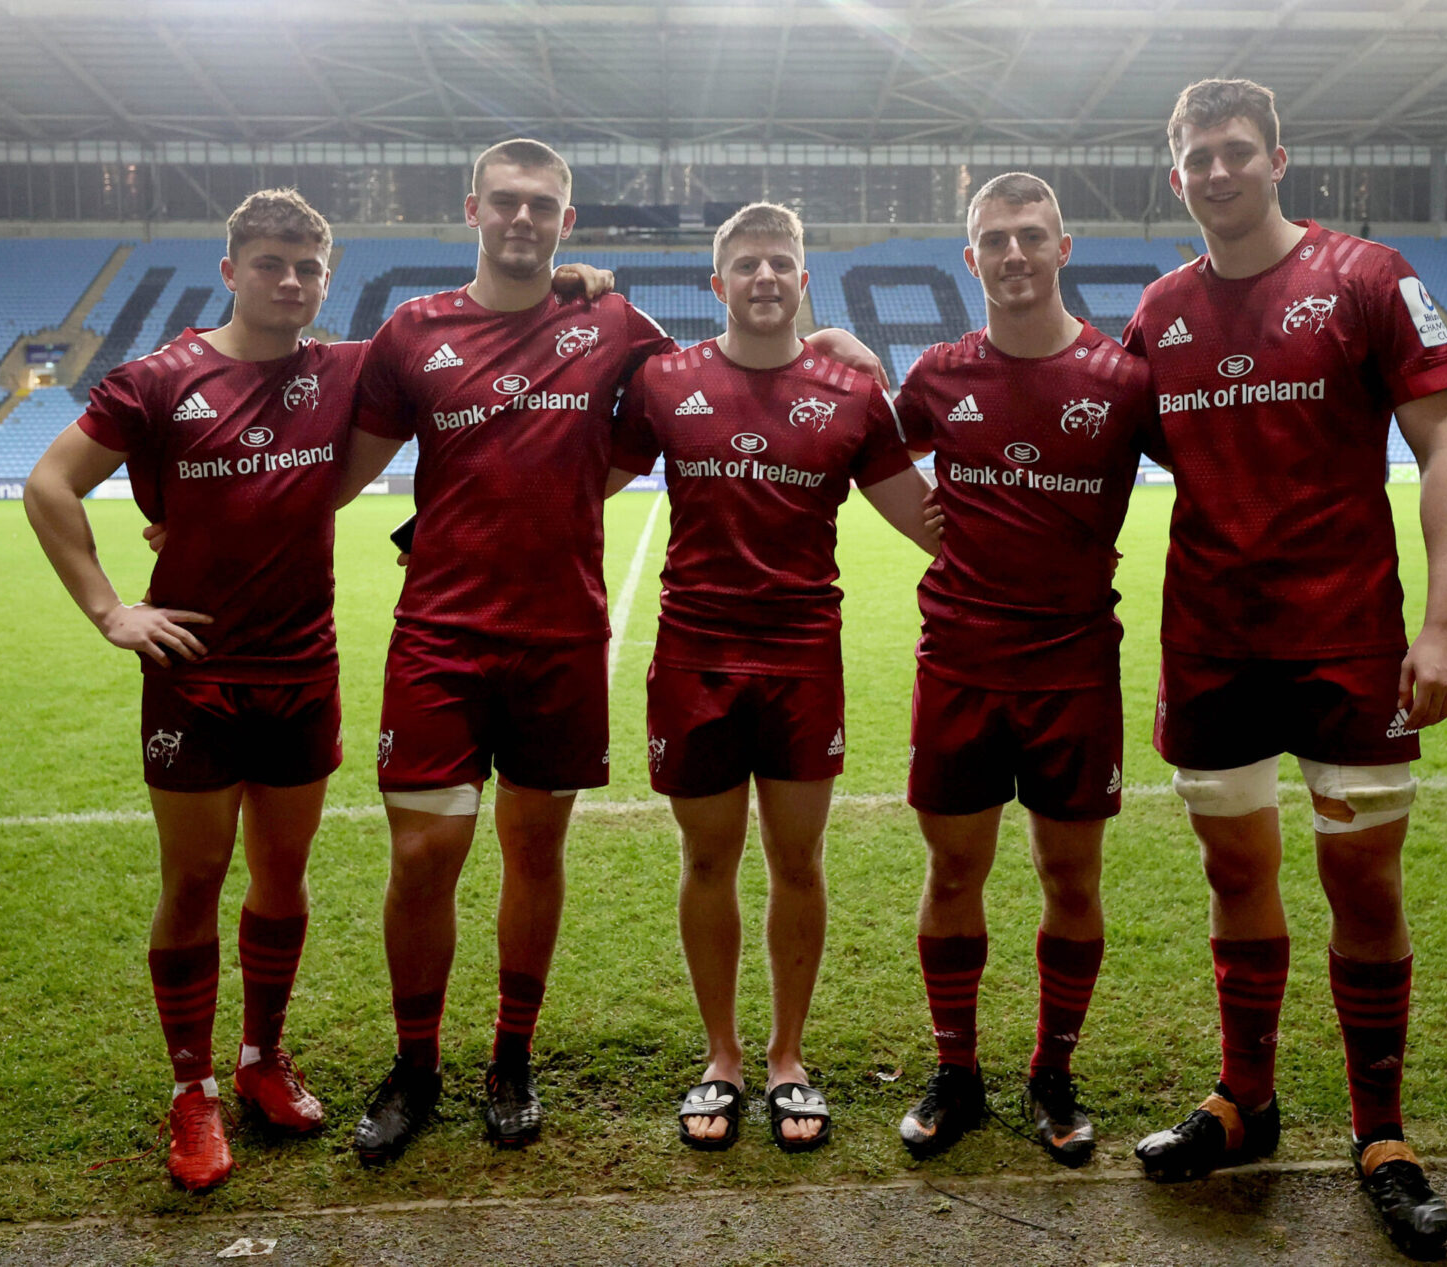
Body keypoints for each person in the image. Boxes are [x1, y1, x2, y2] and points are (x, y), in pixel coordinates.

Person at [340, 140, 889, 1161]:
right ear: (473, 207)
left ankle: (513, 1058)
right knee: (422, 853)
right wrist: (194, 517)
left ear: (567, 221)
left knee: (535, 849)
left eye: (541, 204)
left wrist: (844, 346)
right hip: (441, 630)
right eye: (504, 201)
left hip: (560, 631)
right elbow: (340, 463)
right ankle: (416, 1067)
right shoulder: (415, 328)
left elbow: (693, 391)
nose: (521, 217)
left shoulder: (611, 322)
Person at [1123, 79, 1447, 1260]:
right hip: (1212, 643)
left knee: (1364, 887)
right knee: (1236, 874)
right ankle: (1245, 1099)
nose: (1217, 172)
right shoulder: (1162, 309)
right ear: (1176, 177)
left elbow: (1442, 445)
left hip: (1349, 637)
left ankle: (1381, 1132)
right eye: (1197, 158)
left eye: (1236, 152)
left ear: (1279, 158)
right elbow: (1070, 404)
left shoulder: (1368, 278)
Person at [24, 189, 352, 1192]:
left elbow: (458, 348)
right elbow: (48, 484)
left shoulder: (339, 372)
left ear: (323, 279)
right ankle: (192, 1089)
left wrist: (570, 284)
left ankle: (260, 1060)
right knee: (195, 880)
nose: (290, 283)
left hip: (303, 667)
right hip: (193, 675)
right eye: (270, 264)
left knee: (284, 876)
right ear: (231, 270)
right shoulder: (160, 378)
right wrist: (110, 610)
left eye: (307, 268)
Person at [611, 202, 938, 1153]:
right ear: (717, 284)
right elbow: (567, 472)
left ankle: (788, 1056)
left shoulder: (848, 391)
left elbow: (927, 521)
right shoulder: (666, 381)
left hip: (803, 659)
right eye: (745, 264)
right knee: (707, 860)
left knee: (799, 863)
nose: (764, 277)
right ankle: (722, 1057)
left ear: (804, 280)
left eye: (781, 263)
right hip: (693, 660)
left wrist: (1047, 517)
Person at [893, 172, 1156, 1167]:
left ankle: (1053, 1070)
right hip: (958, 661)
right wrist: (825, 350)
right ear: (972, 257)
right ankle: (956, 1070)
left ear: (1063, 246)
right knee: (954, 868)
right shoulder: (935, 375)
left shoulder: (1124, 379)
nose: (1013, 253)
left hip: (1076, 669)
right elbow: (859, 444)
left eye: (1030, 235)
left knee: (1069, 876)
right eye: (994, 239)